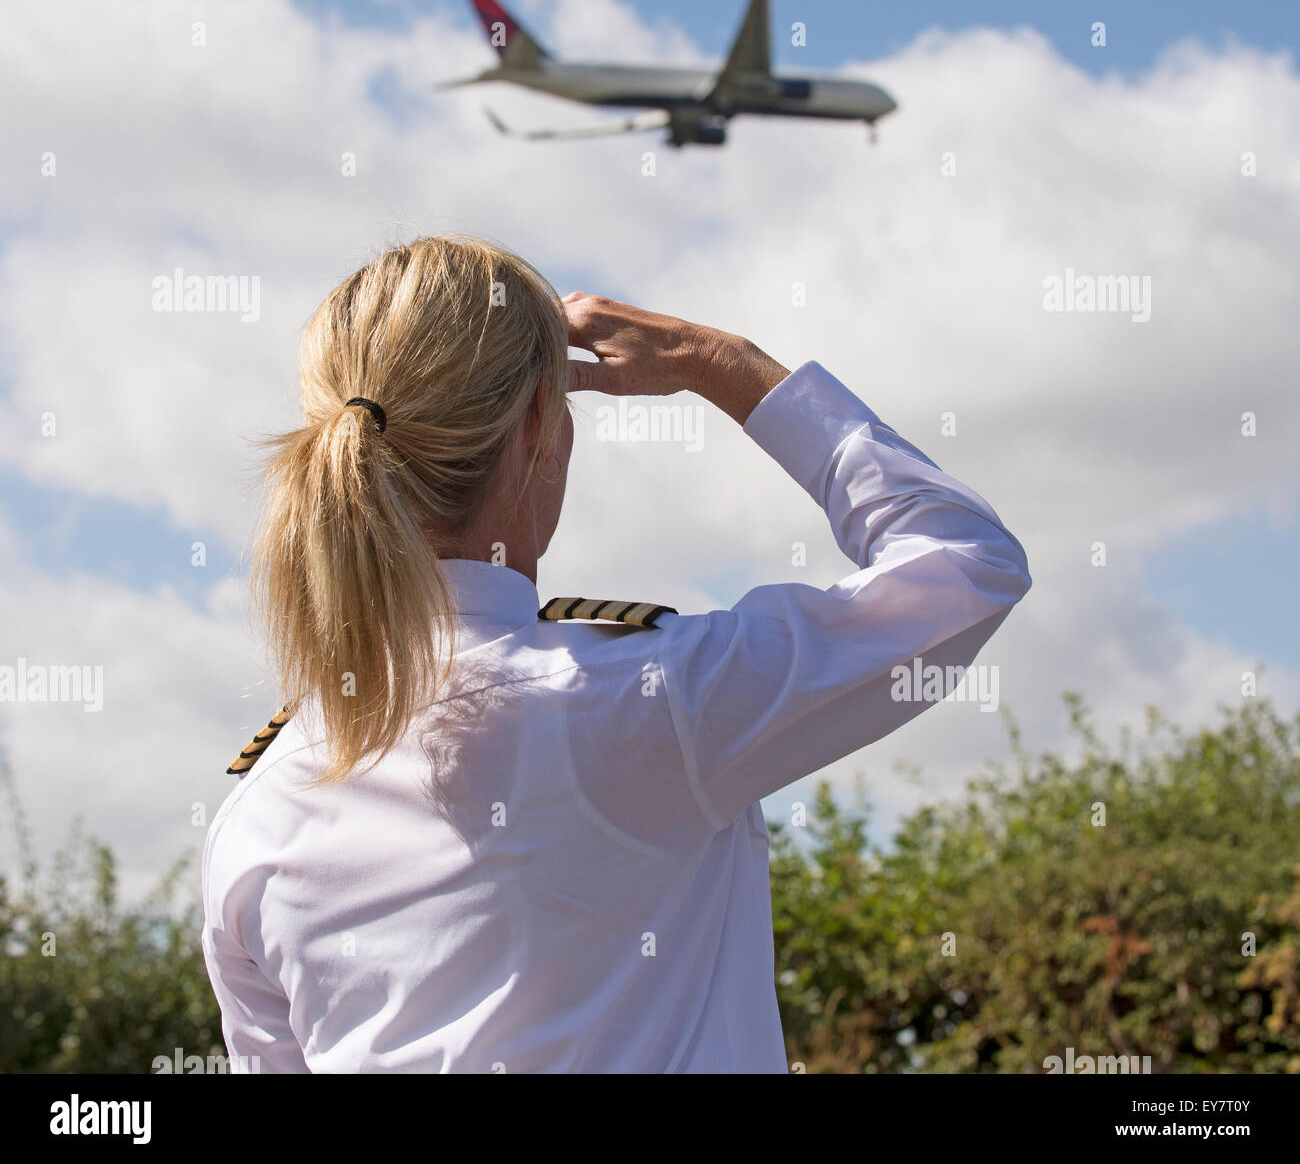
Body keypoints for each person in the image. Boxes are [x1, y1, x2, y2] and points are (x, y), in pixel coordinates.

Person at [201, 233, 1031, 1073]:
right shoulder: (650, 702)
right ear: (537, 430)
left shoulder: (258, 815)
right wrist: (721, 362)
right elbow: (966, 561)